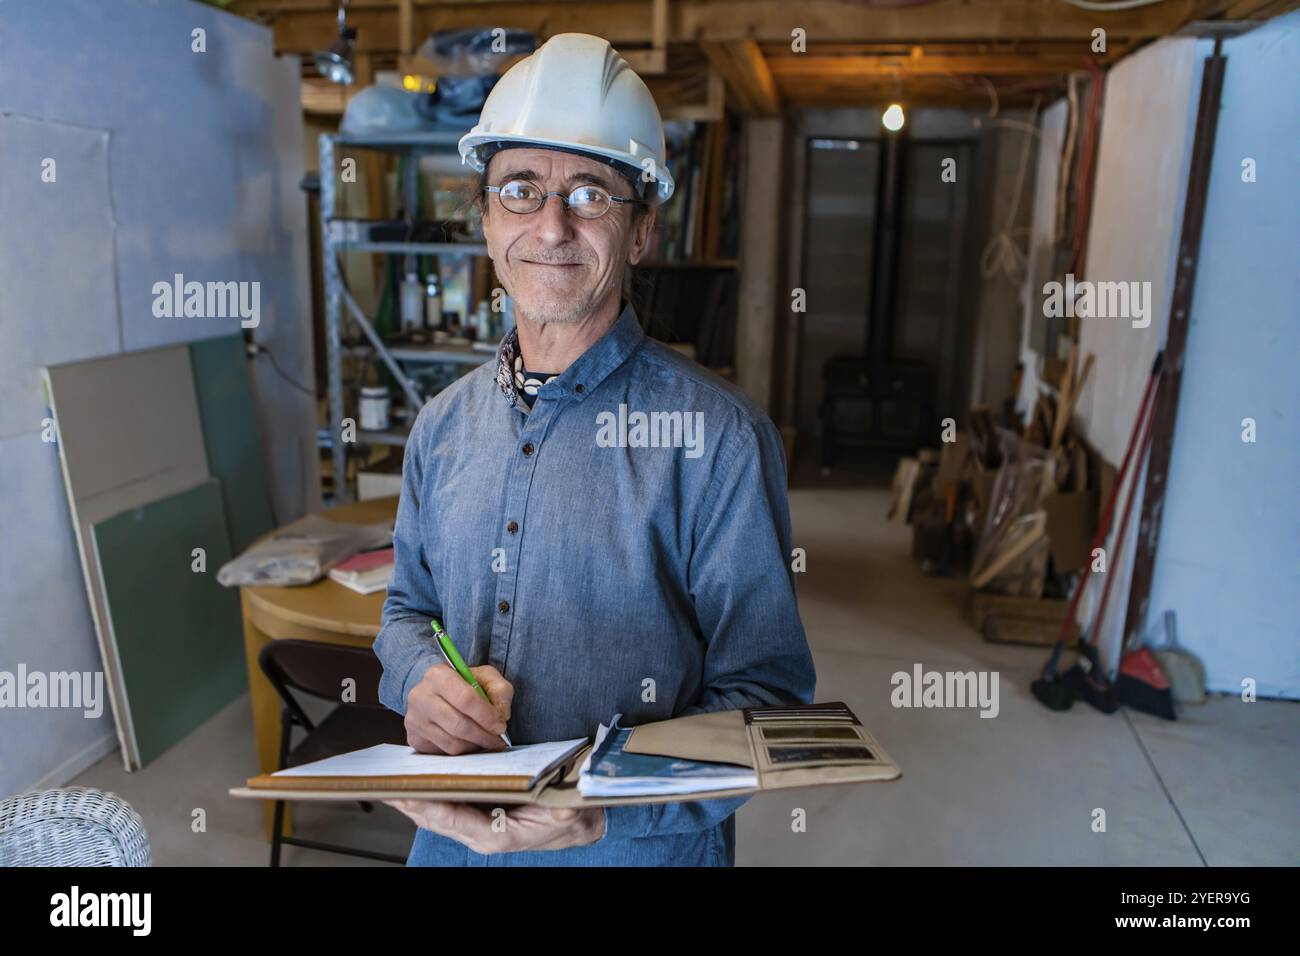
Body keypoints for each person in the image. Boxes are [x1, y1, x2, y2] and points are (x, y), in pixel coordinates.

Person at [375, 32, 815, 866]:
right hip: (452, 848)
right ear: (484, 219)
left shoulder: (718, 440)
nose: (551, 225)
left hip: (631, 853)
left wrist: (602, 810)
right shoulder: (439, 427)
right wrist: (418, 686)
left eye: (589, 194)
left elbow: (767, 703)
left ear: (643, 231)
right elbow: (406, 613)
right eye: (522, 189)